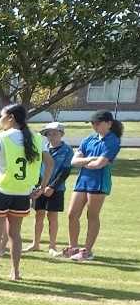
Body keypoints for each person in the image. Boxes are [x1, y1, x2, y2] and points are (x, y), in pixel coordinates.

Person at [0, 104, 53, 281]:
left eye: (2, 116)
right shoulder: (37, 138)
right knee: (15, 234)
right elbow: (50, 163)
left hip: (1, 190)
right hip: (22, 192)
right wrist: (42, 187)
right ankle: (15, 272)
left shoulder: (0, 137)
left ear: (10, 117)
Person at [65, 110, 124, 262]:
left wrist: (85, 162)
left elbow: (99, 165)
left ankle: (87, 251)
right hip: (82, 181)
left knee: (92, 215)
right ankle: (73, 247)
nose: (95, 126)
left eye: (98, 123)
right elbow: (74, 161)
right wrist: (90, 159)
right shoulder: (88, 139)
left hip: (99, 182)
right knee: (72, 214)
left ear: (109, 123)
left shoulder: (113, 140)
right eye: (93, 123)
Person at [29, 122, 73, 255]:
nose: (51, 136)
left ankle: (52, 246)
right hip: (40, 187)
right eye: (49, 133)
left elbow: (65, 171)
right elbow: (36, 167)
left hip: (57, 189)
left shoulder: (67, 150)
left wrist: (52, 186)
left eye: (55, 133)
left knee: (52, 216)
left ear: (61, 134)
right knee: (39, 215)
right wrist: (38, 186)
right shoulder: (43, 148)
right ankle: (35, 244)